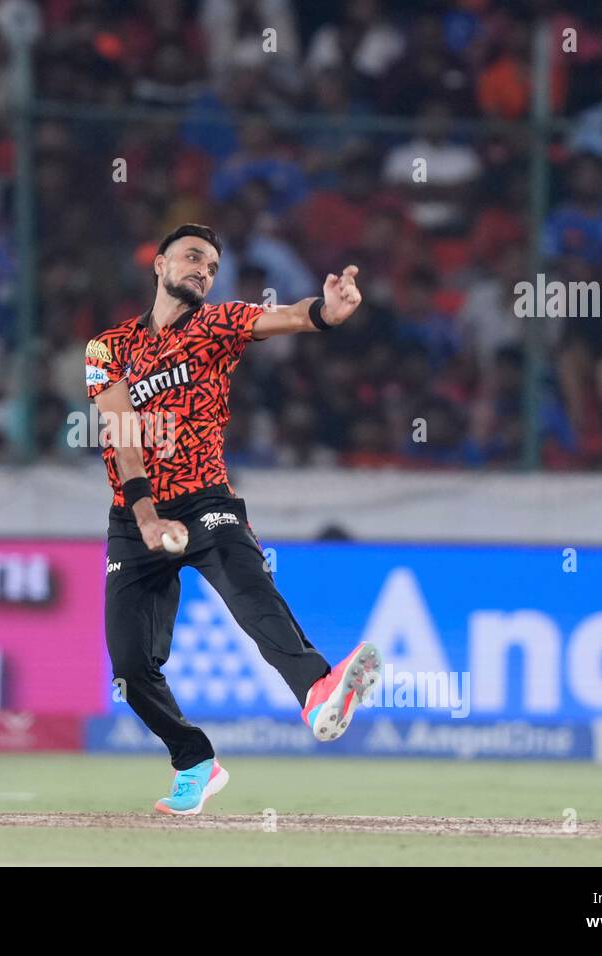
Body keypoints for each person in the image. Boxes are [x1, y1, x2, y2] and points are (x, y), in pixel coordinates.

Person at [86, 223, 383, 815]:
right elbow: (121, 433)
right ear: (159, 265)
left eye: (213, 265)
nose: (203, 270)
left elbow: (291, 318)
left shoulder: (216, 325)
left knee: (250, 588)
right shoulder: (107, 347)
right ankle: (194, 760)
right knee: (129, 668)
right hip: (135, 515)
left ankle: (318, 690)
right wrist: (145, 517)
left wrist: (325, 311)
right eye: (192, 257)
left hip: (206, 501)